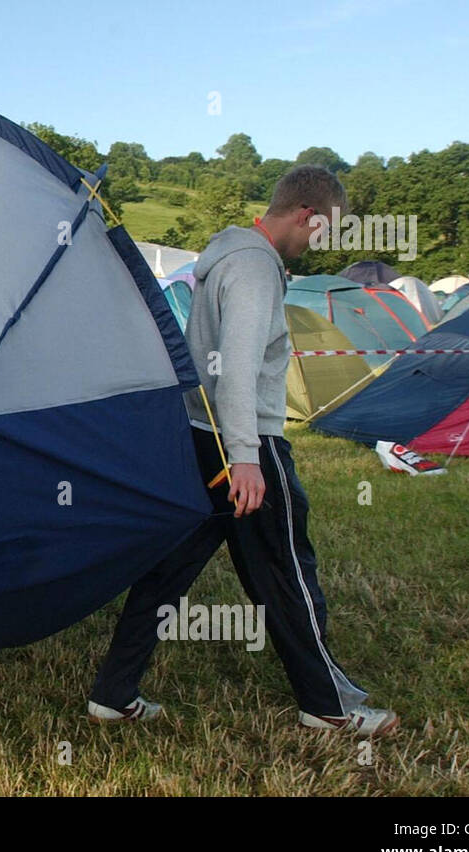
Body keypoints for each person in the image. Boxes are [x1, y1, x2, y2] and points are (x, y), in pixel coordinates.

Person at [87, 165, 398, 737]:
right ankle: (328, 706)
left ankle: (113, 693)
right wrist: (247, 458)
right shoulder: (255, 267)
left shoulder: (224, 254)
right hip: (243, 447)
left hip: (201, 441)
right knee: (286, 573)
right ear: (307, 214)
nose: (320, 244)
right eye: (324, 231)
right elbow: (234, 368)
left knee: (166, 573)